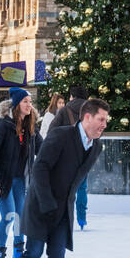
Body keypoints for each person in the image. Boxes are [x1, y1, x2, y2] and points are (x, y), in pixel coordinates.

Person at [0, 98, 108, 258]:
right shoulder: (61, 135)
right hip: (40, 205)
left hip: (63, 210)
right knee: (32, 254)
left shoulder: (96, 146)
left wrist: (67, 207)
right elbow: (41, 168)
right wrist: (46, 203)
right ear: (87, 117)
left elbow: (76, 181)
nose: (104, 124)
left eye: (106, 120)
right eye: (101, 119)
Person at [0, 88, 41, 258]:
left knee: (19, 216)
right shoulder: (3, 126)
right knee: (9, 216)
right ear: (17, 104)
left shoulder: (29, 126)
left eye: (30, 101)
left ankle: (19, 254)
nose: (29, 105)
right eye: (26, 101)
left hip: (20, 179)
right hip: (3, 179)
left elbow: (42, 147)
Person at [47, 86, 90, 226]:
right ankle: (82, 218)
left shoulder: (65, 110)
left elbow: (51, 131)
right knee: (82, 187)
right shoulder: (91, 111)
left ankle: (66, 218)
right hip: (84, 154)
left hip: (66, 157)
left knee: (66, 189)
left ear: (72, 96)